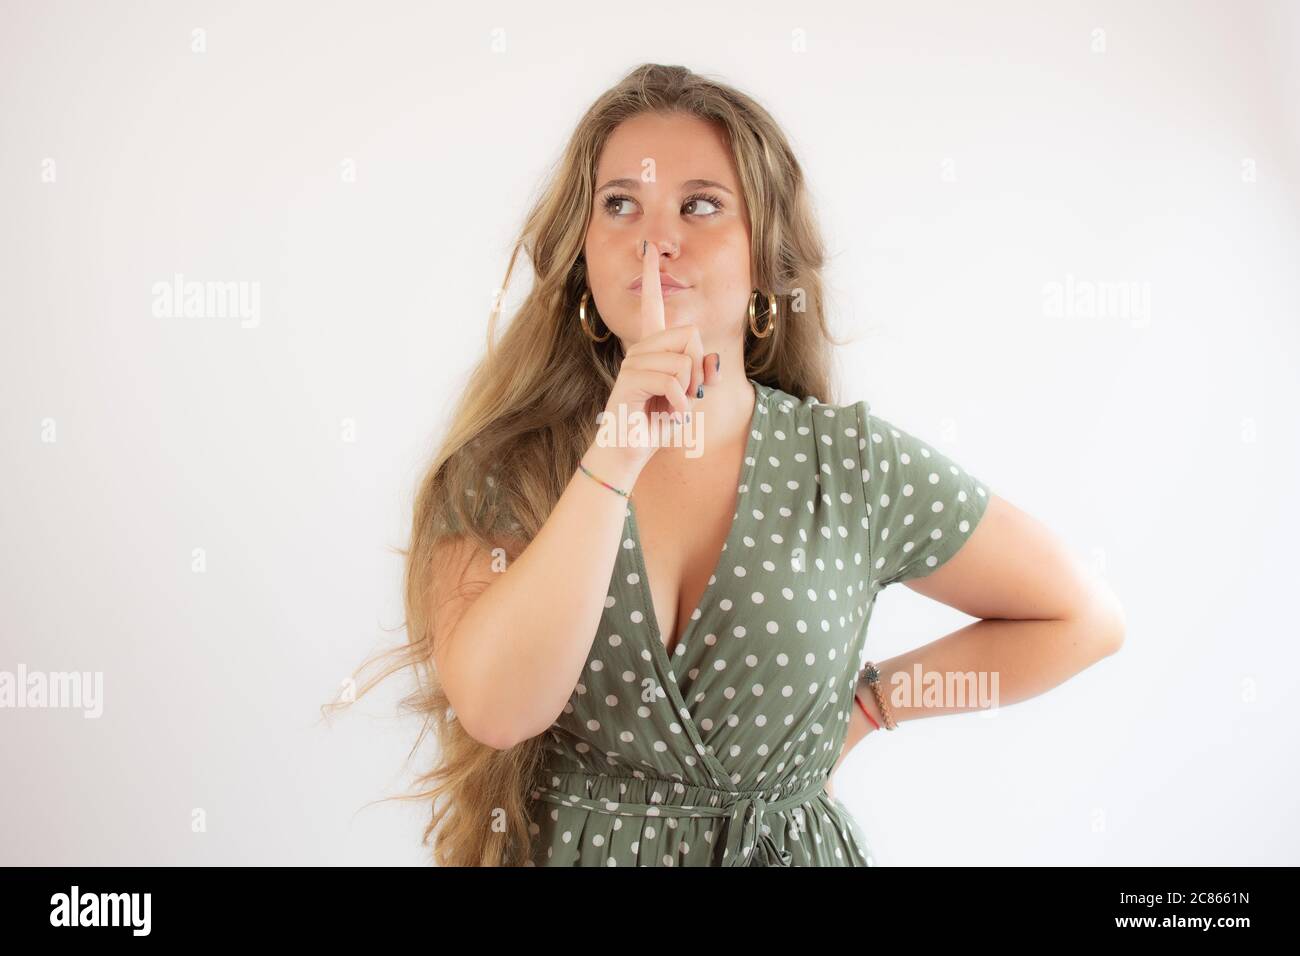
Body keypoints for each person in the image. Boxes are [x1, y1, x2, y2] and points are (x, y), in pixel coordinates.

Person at [333, 63, 1126, 867]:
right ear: (582, 255)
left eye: (700, 204)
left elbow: (1081, 619)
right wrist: (615, 452)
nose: (656, 238)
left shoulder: (848, 467)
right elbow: (498, 710)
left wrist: (874, 705)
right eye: (620, 205)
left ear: (763, 255)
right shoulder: (504, 470)